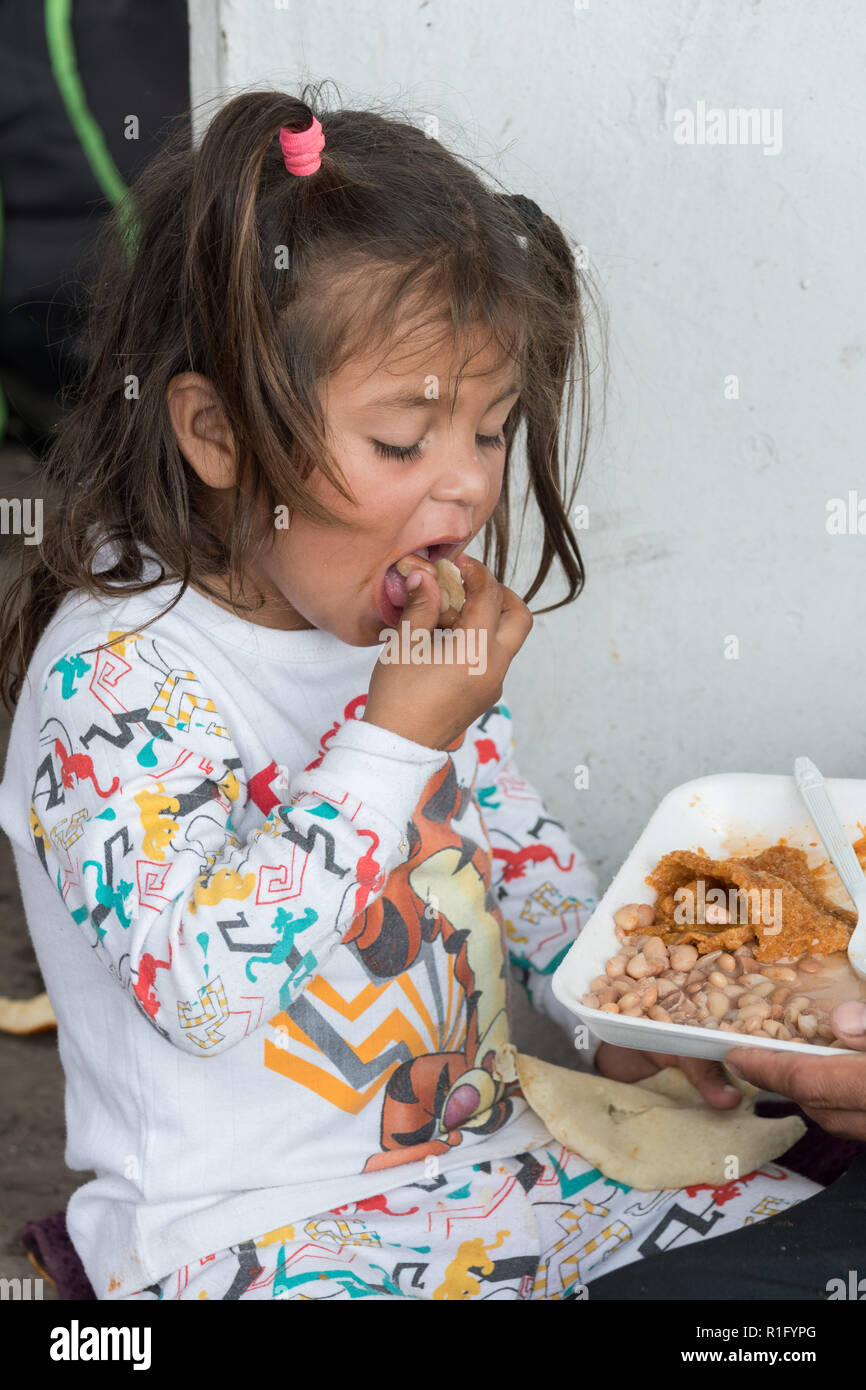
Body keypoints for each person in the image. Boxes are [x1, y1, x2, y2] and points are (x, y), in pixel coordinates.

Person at [0, 88, 829, 1302]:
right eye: (401, 444)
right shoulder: (112, 682)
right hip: (246, 1235)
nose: (466, 491)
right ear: (217, 433)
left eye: (490, 434)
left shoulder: (365, 607)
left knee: (793, 1258)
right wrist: (394, 734)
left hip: (483, 1170)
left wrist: (619, 1006)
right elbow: (203, 992)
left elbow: (501, 828)